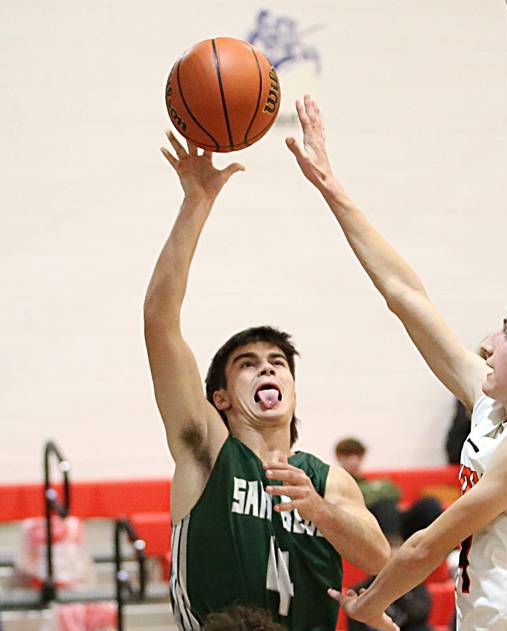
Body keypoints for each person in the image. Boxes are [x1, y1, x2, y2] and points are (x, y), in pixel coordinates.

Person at [287, 95, 507, 630]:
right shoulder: (491, 405)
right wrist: (332, 188)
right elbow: (405, 295)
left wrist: (368, 605)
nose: (485, 344)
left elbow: (428, 545)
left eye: (505, 333)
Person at [146, 132, 391, 630]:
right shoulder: (208, 451)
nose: (268, 368)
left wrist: (319, 511)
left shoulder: (325, 480)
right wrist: (196, 203)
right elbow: (159, 322)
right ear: (220, 398)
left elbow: (379, 559)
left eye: (278, 361)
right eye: (249, 362)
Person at [335, 438, 442, 547]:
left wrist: (372, 494)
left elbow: (396, 493)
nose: (354, 461)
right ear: (339, 457)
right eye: (348, 456)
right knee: (384, 505)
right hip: (368, 524)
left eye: (358, 456)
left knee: (429, 503)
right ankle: (395, 550)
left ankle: (445, 547)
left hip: (393, 520)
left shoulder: (374, 482)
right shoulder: (338, 482)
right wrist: (376, 494)